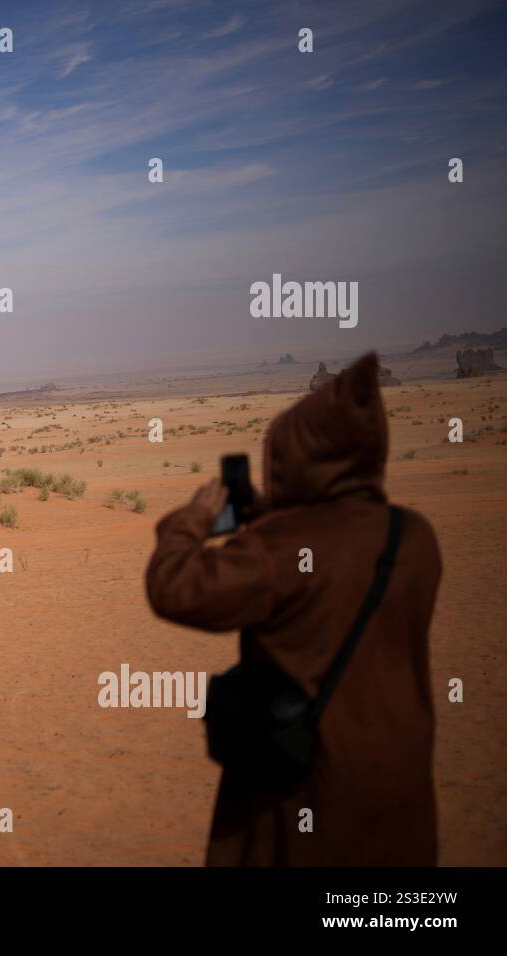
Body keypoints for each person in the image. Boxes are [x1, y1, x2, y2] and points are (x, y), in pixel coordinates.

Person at [145, 353, 441, 865]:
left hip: (306, 787)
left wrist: (195, 517)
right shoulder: (414, 537)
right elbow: (337, 560)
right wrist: (275, 520)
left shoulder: (278, 550)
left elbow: (173, 586)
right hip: (401, 782)